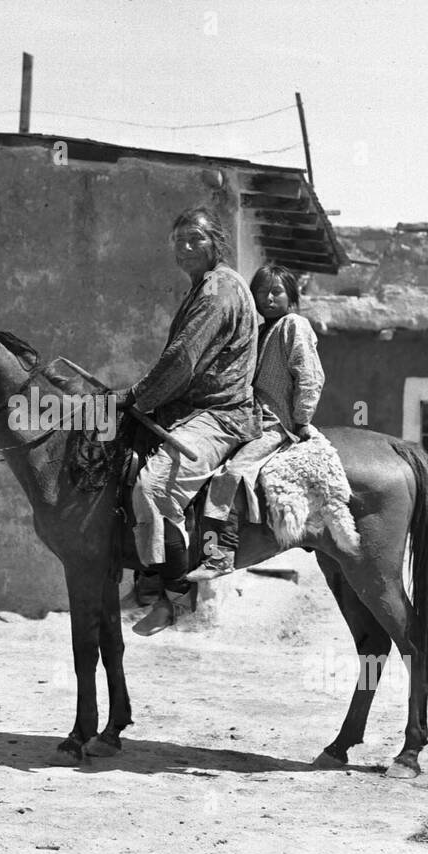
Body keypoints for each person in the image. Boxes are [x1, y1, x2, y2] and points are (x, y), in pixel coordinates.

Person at [115, 207, 262, 635]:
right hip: (190, 408)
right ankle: (145, 580)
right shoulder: (202, 288)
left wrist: (135, 397)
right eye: (178, 240)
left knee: (155, 487)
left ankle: (176, 599)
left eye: (195, 239)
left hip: (221, 415)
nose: (184, 247)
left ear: (216, 242)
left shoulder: (218, 291)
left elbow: (181, 359)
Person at [187, 264, 325, 581]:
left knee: (231, 473)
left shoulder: (294, 325)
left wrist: (302, 420)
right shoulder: (259, 332)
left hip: (277, 424)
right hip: (246, 420)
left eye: (276, 291)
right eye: (261, 292)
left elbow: (309, 376)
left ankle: (221, 552)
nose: (268, 298)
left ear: (291, 295)